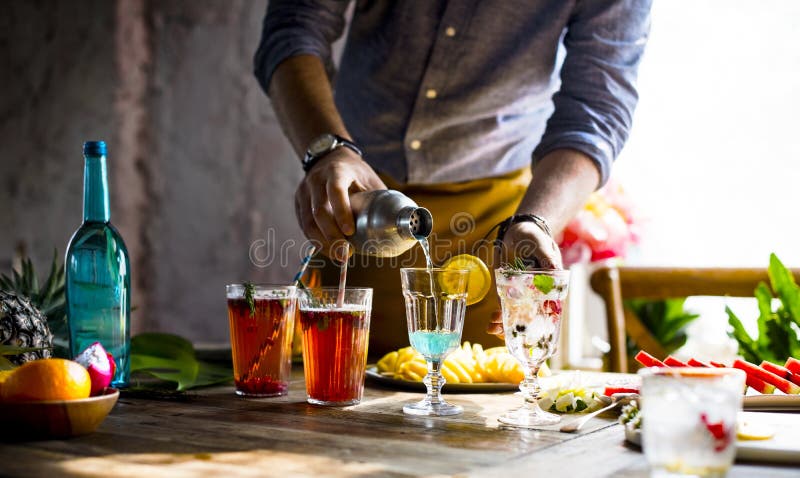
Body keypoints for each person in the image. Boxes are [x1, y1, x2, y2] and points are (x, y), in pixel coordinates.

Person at [254, 0, 652, 356]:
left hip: (498, 230)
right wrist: (328, 150)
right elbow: (294, 26)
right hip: (361, 205)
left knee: (483, 423)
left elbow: (596, 111)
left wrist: (535, 222)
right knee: (332, 400)